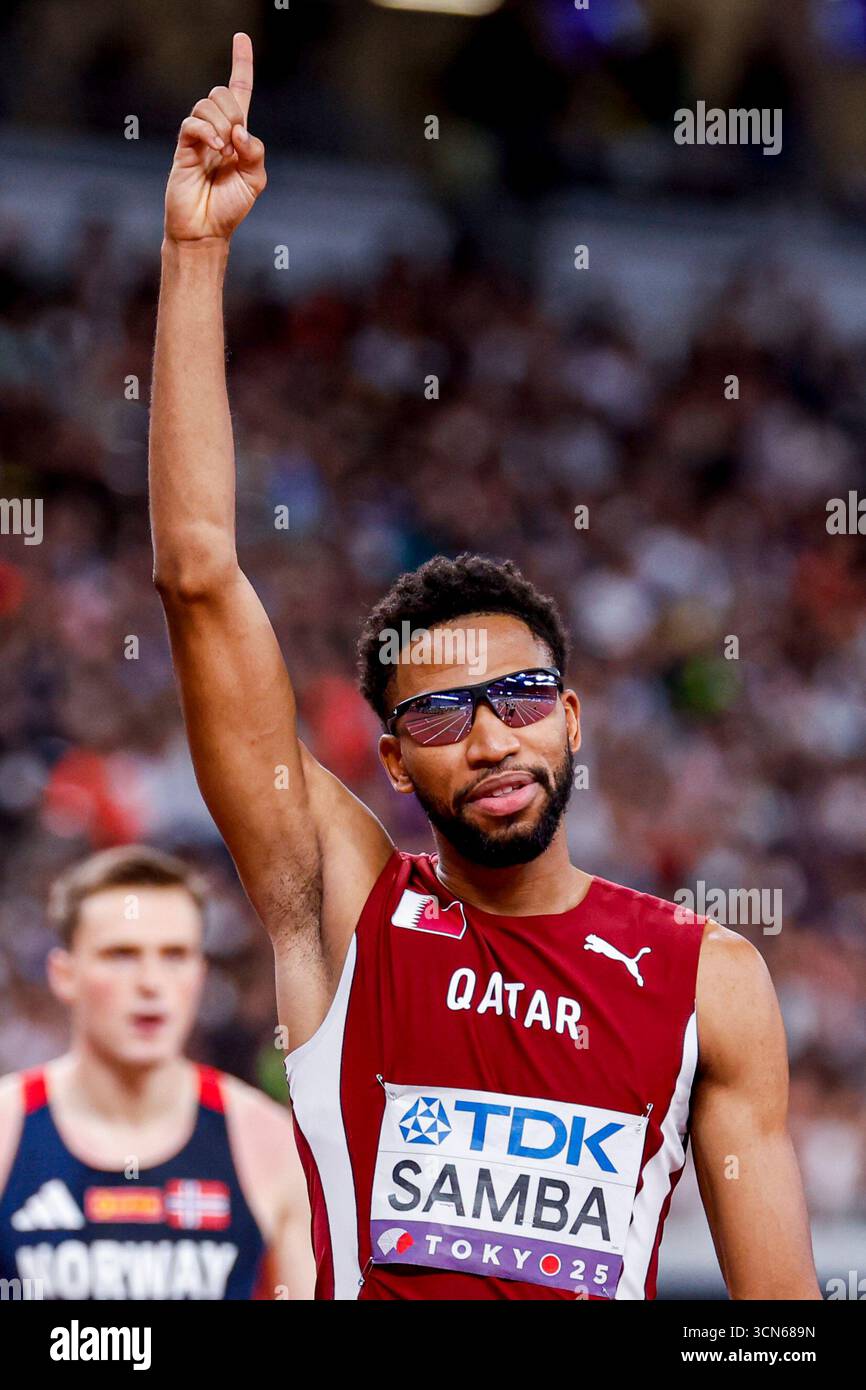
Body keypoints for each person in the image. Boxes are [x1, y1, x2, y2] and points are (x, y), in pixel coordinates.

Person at [148, 31, 820, 1301]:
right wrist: (195, 257)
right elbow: (195, 576)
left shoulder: (707, 981)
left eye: (517, 699)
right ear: (393, 760)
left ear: (569, 718)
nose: (492, 737)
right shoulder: (342, 908)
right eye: (443, 714)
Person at [0, 845, 314, 1300]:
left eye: (174, 955)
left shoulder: (269, 1144)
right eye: (121, 954)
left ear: (200, 974)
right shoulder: (7, 1131)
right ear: (64, 974)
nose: (151, 982)